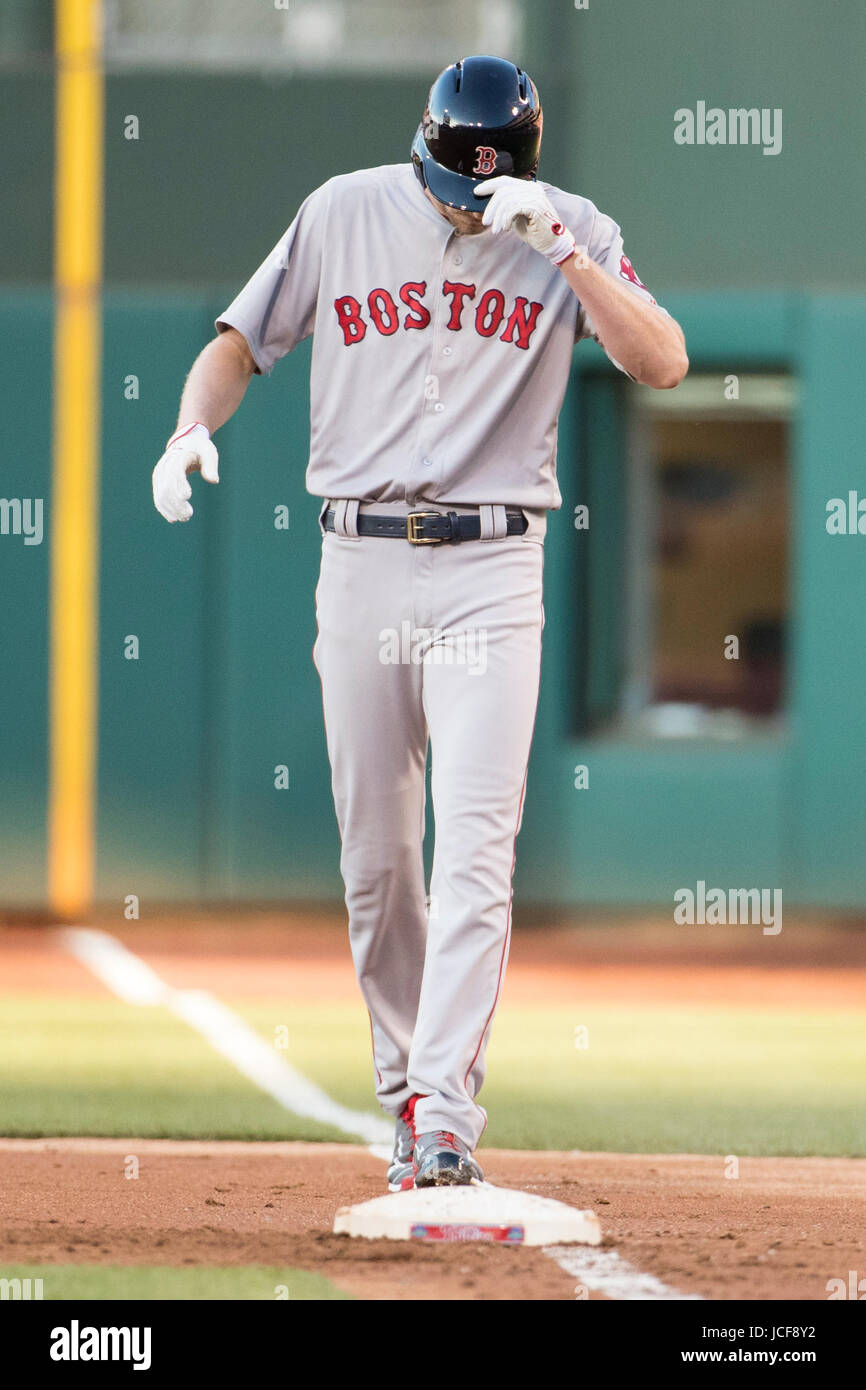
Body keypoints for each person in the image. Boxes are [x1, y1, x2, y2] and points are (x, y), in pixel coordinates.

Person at [152, 55, 687, 1190]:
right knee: (378, 859)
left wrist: (566, 253)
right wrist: (188, 427)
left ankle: (445, 1115)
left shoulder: (565, 227)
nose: (470, 195)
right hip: (359, 557)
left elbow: (663, 360)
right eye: (458, 176)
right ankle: (402, 1091)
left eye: (491, 181)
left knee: (477, 847)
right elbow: (239, 339)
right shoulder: (343, 209)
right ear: (428, 149)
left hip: (493, 567)